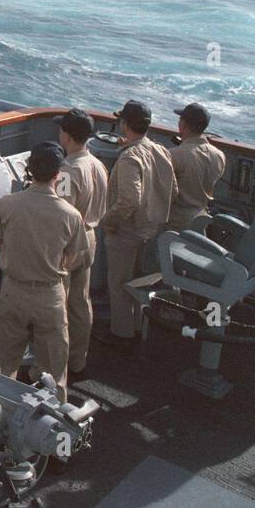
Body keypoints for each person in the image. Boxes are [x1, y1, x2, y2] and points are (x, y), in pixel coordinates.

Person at [0, 142, 87, 400]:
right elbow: (70, 258)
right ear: (57, 174)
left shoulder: (7, 204)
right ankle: (54, 422)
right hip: (49, 295)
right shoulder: (71, 215)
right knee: (54, 371)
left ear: (28, 171)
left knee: (4, 365)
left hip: (13, 291)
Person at [99, 100, 176, 345]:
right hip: (151, 230)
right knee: (137, 284)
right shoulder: (161, 150)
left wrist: (107, 221)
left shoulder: (129, 158)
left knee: (120, 285)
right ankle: (133, 327)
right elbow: (173, 190)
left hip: (127, 232)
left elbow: (128, 201)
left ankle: (121, 335)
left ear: (124, 124)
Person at [54, 108, 108, 376]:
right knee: (80, 302)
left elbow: (62, 214)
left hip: (69, 244)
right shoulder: (97, 164)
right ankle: (78, 360)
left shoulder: (67, 170)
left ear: (67, 135)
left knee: (58, 304)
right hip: (90, 238)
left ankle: (56, 364)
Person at [166, 103, 225, 232]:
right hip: (200, 221)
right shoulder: (219, 155)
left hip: (174, 223)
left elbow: (164, 191)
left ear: (183, 125)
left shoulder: (174, 155)